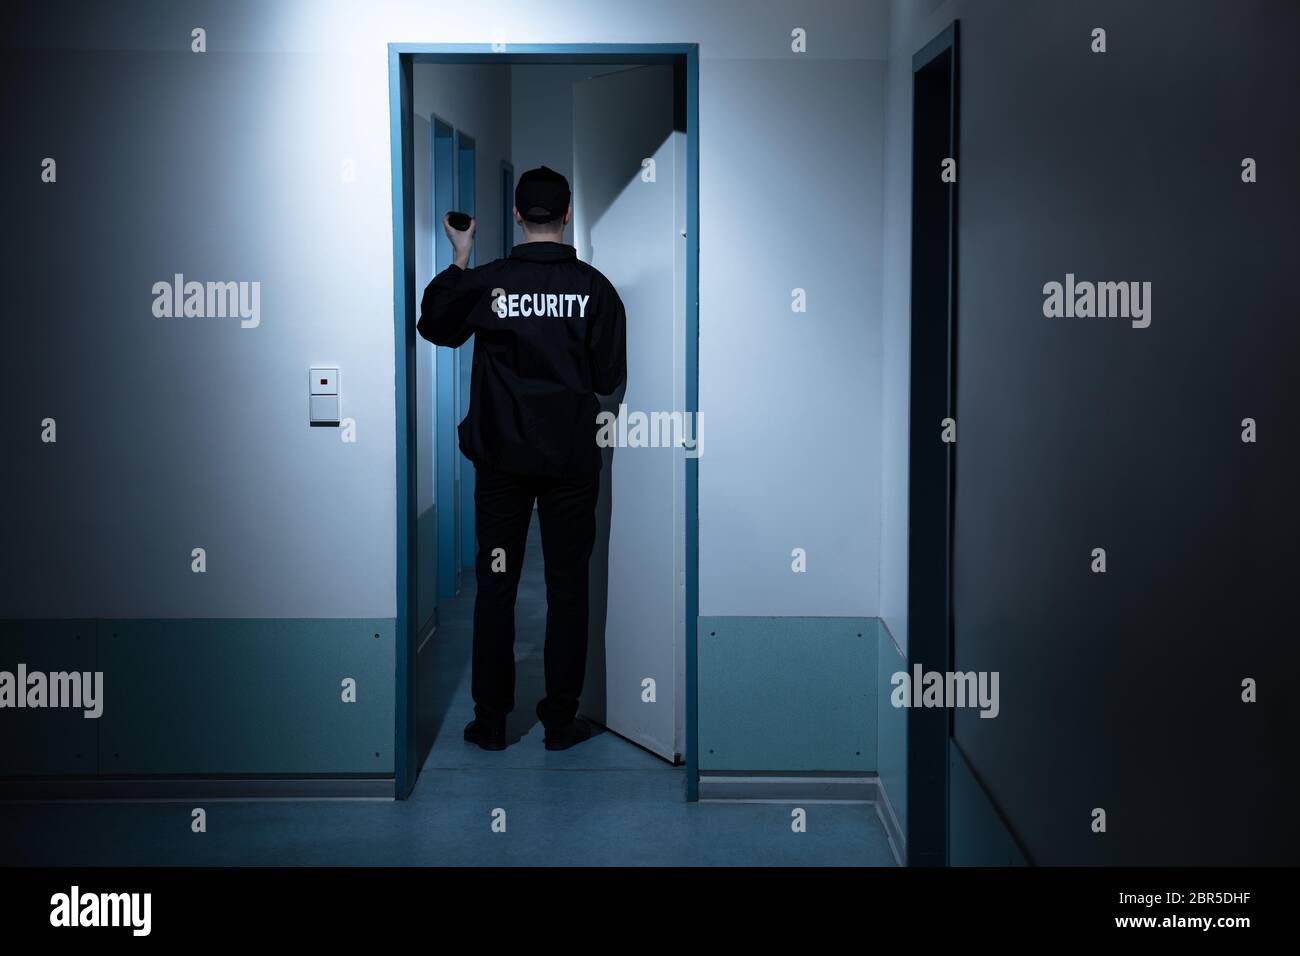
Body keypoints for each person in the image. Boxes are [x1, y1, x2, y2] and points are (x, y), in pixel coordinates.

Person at [417, 165, 627, 752]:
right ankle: (560, 721)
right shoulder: (594, 289)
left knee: (498, 585)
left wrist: (460, 256)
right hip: (569, 464)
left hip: (502, 466)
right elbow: (610, 377)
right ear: (566, 215)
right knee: (567, 588)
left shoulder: (488, 282)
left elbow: (434, 324)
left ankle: (490, 721)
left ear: (515, 215)